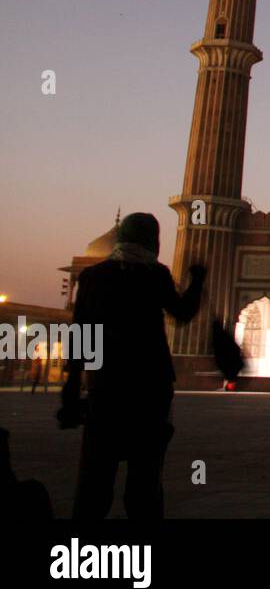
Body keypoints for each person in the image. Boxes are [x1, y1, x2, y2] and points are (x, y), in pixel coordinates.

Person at [56, 212, 205, 518]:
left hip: (105, 386)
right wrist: (197, 283)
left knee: (95, 476)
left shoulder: (94, 277)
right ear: (152, 240)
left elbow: (82, 332)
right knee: (146, 479)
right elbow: (182, 313)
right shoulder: (155, 275)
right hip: (150, 387)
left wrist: (72, 387)